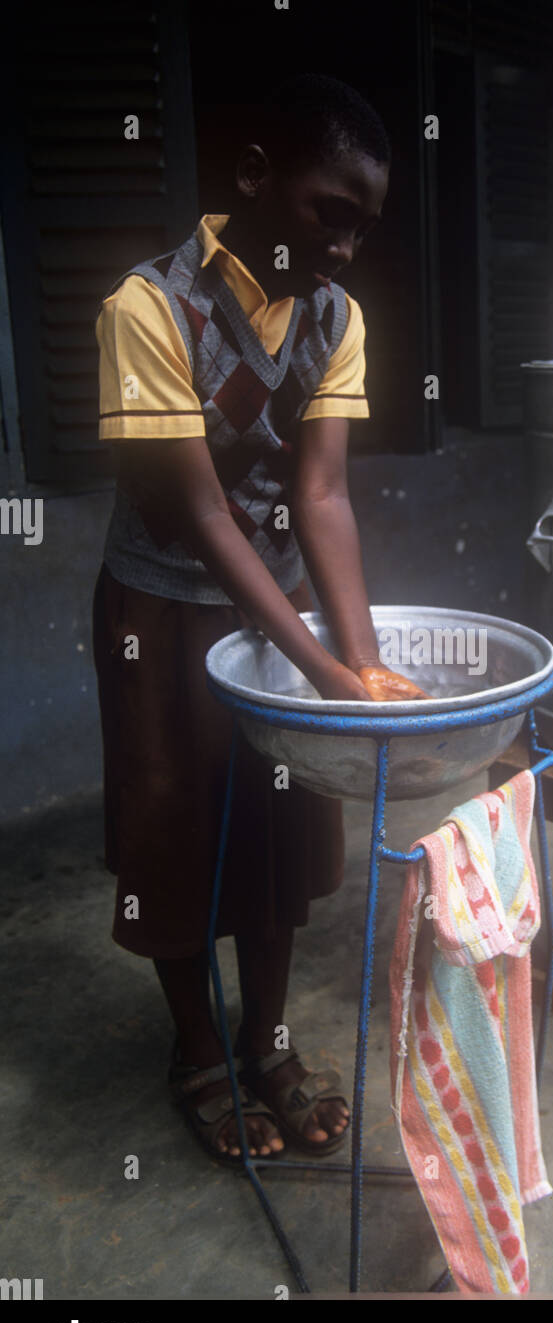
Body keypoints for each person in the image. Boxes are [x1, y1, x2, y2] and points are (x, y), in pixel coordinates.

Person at [92, 73, 427, 1167]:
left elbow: (320, 497)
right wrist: (322, 670)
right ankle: (197, 1051)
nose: (342, 247)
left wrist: (361, 668)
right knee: (175, 826)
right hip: (163, 611)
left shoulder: (335, 318)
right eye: (330, 212)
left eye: (362, 228)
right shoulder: (148, 308)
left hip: (273, 611)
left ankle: (269, 1044)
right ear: (252, 176)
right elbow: (197, 513)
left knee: (279, 828)